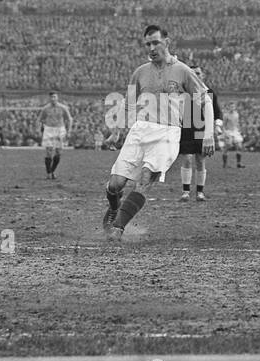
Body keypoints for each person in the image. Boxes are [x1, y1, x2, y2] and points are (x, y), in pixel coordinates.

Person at [103, 24, 212, 242]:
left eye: (155, 42)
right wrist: (116, 132)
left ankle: (118, 228)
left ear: (167, 42)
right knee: (115, 185)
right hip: (140, 131)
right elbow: (128, 104)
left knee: (145, 179)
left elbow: (205, 100)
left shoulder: (182, 70)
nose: (151, 48)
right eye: (148, 44)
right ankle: (115, 207)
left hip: (168, 134)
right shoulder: (140, 72)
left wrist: (208, 134)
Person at [175, 64, 220, 201]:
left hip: (202, 130)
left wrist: (217, 127)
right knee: (187, 159)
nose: (196, 76)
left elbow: (217, 112)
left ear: (202, 75)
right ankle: (186, 191)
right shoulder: (183, 93)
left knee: (200, 160)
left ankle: (200, 192)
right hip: (186, 130)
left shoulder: (209, 92)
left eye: (198, 73)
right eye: (193, 73)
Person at [39, 90, 73, 179]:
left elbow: (69, 119)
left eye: (54, 97)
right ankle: (48, 173)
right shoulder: (45, 109)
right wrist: (40, 129)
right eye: (51, 97)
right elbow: (40, 119)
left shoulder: (63, 108)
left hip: (60, 129)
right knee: (49, 151)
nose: (53, 99)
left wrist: (68, 131)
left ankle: (52, 171)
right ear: (49, 98)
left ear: (57, 98)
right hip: (49, 129)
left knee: (58, 152)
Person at [221, 102, 245, 169]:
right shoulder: (226, 115)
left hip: (235, 131)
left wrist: (239, 130)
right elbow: (223, 125)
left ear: (235, 107)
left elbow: (237, 123)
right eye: (231, 106)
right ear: (228, 107)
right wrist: (225, 133)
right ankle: (225, 164)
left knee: (239, 146)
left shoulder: (236, 114)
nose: (232, 108)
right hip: (228, 131)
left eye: (233, 107)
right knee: (227, 147)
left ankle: (238, 163)